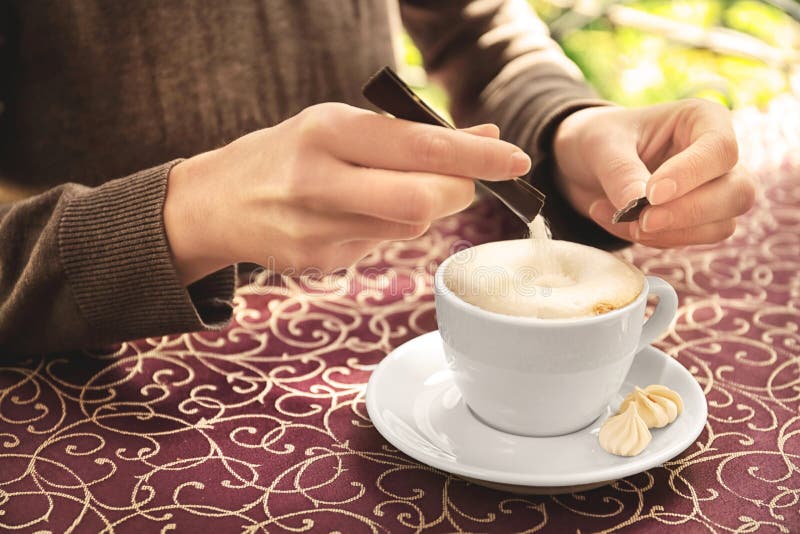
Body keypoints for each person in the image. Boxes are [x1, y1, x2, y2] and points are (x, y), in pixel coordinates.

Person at [0, 0, 755, 356]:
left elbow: (478, 31)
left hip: (381, 335)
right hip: (92, 390)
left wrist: (567, 125)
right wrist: (178, 218)